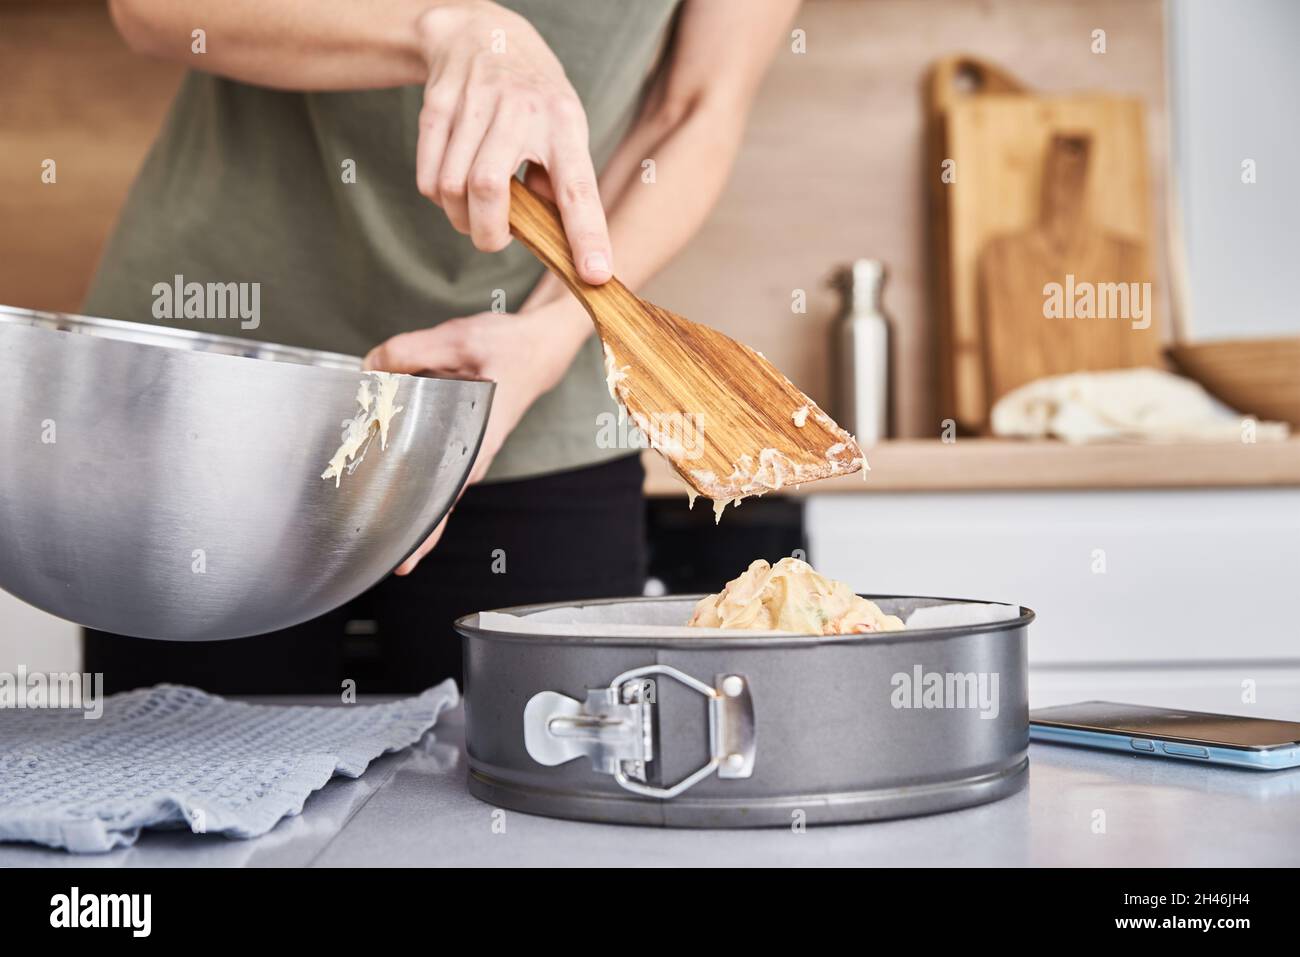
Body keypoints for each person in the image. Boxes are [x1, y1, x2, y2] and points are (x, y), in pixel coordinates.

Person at [85, 0, 800, 693]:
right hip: (217, 387)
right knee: (182, 794)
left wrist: (551, 332)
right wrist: (445, 29)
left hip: (535, 414)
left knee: (540, 792)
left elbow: (696, 108)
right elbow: (149, 8)